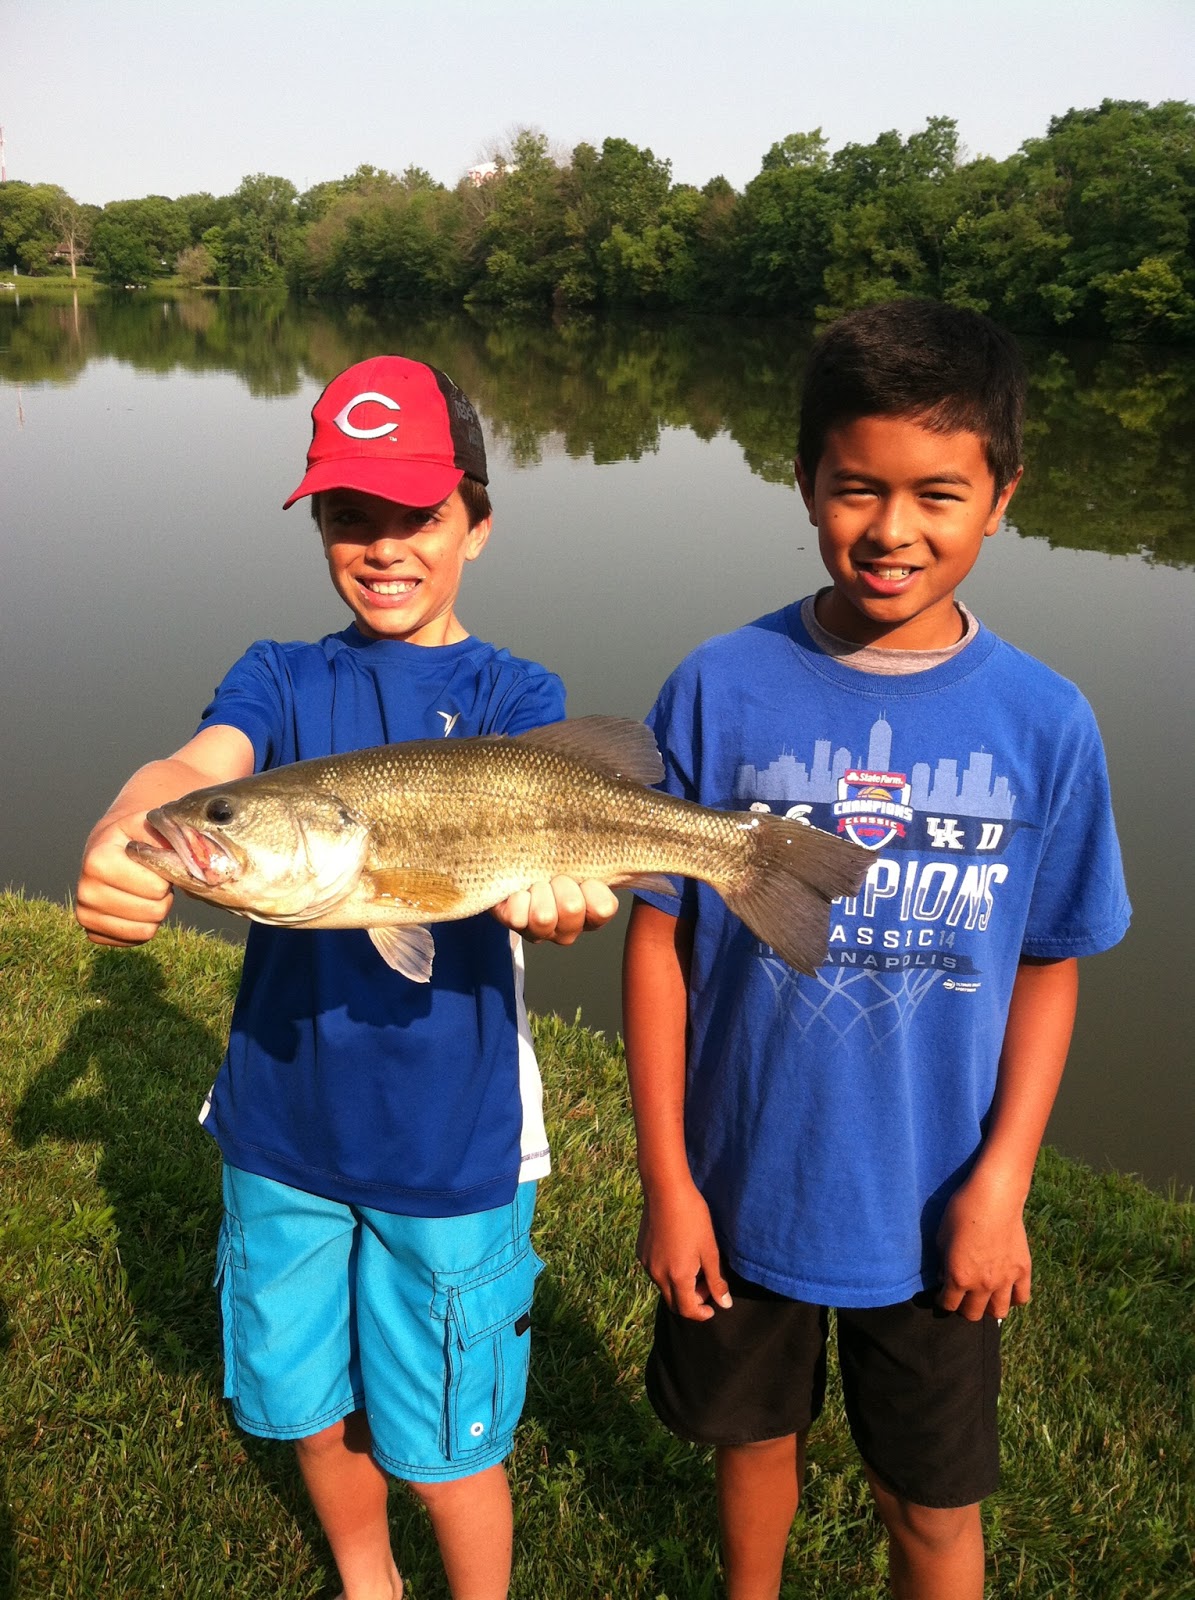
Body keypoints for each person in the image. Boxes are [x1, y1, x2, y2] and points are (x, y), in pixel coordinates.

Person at [74, 355, 617, 1600]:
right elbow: (189, 769)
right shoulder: (278, 675)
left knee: (446, 1439)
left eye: (417, 515)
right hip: (280, 1133)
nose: (382, 547)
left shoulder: (509, 696)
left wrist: (567, 893)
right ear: (318, 525)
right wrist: (124, 826)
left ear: (477, 524)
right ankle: (366, 1581)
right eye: (346, 515)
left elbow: (559, 839)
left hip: (451, 1148)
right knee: (306, 1398)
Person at [622, 299, 1130, 1600]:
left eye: (935, 494)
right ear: (802, 482)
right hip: (744, 1189)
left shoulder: (1043, 723)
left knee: (929, 1500)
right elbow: (659, 945)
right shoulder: (715, 686)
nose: (890, 530)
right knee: (750, 1450)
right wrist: (670, 1182)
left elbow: (1049, 961)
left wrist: (1001, 1186)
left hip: (933, 1210)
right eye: (854, 487)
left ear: (1000, 497)